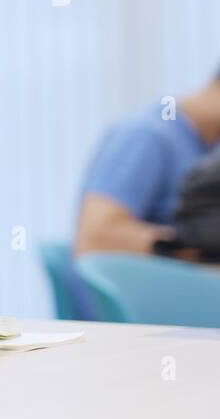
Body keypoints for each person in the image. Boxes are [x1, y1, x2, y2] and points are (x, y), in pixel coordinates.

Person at [71, 67, 220, 315]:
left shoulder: (206, 145)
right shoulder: (146, 136)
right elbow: (96, 237)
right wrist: (187, 244)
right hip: (131, 316)